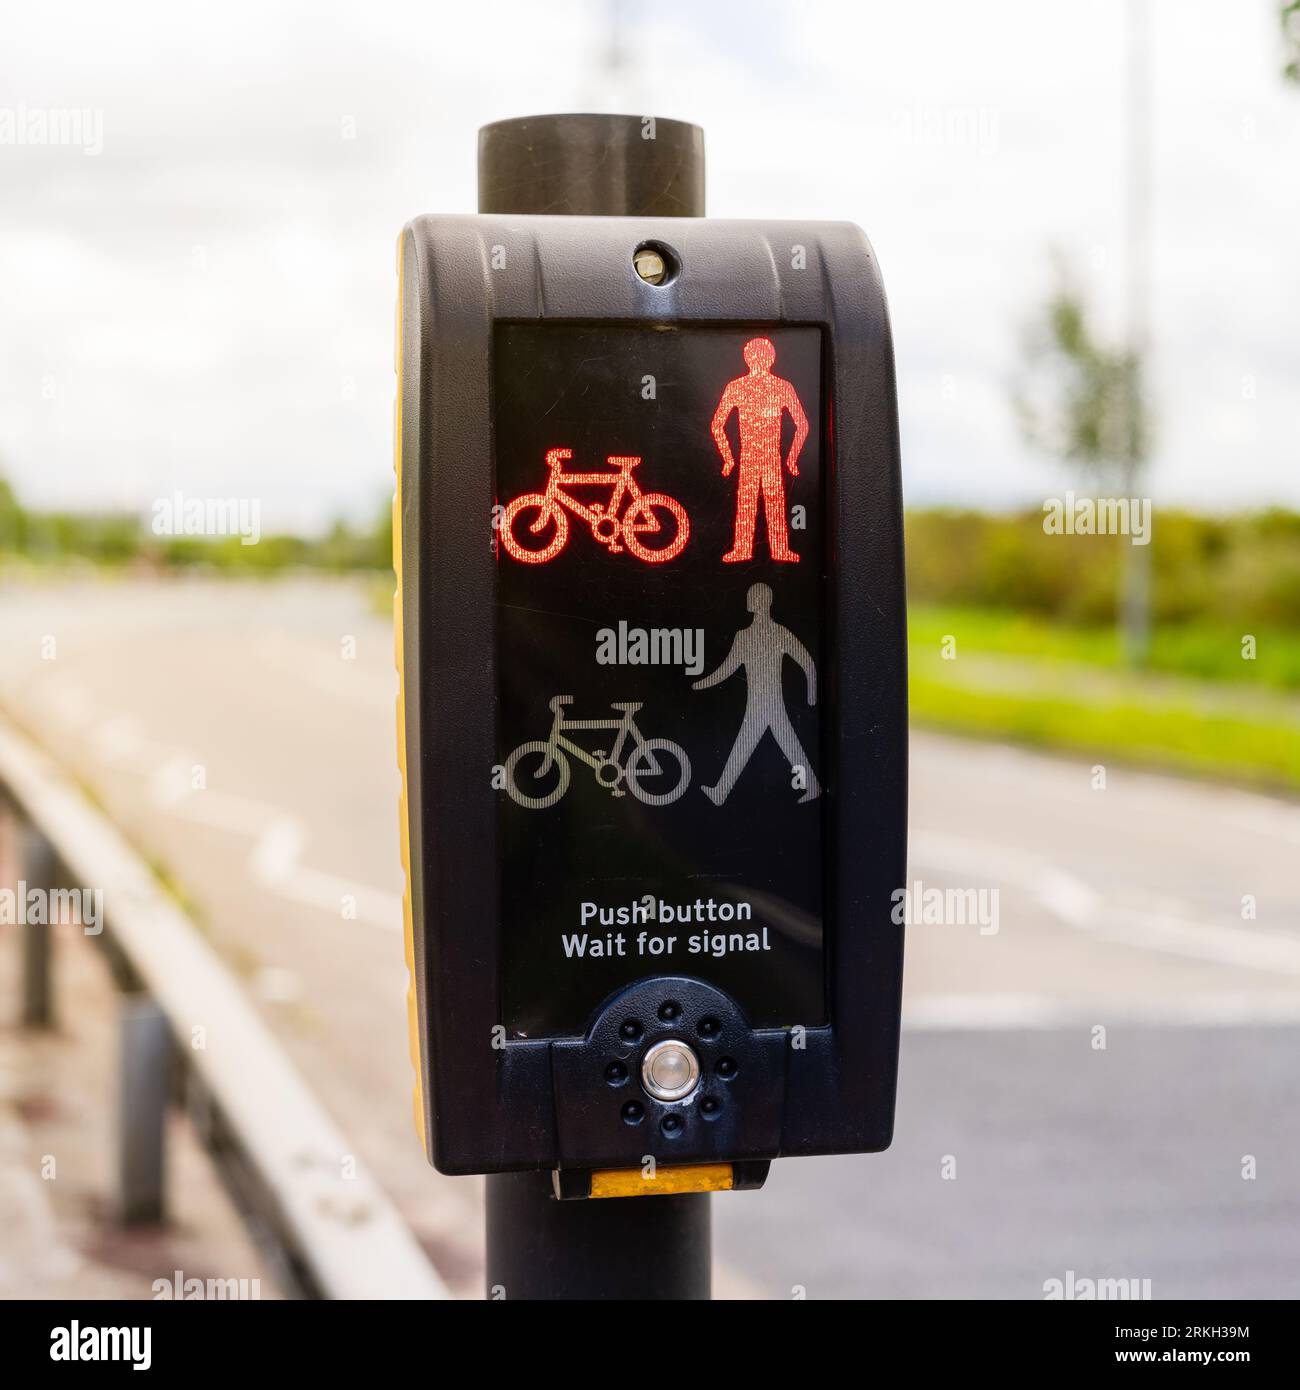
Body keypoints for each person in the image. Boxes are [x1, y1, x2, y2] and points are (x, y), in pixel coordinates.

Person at [693, 582, 820, 805]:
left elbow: (807, 663)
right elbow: (727, 668)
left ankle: (720, 793)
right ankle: (721, 792)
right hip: (759, 704)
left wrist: (812, 695)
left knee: (750, 746)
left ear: (762, 602)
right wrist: (703, 684)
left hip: (768, 704)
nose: (750, 601)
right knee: (775, 744)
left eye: (753, 597)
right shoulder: (745, 636)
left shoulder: (778, 633)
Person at [709, 337, 808, 563]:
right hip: (763, 456)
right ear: (772, 358)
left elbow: (717, 426)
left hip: (754, 457)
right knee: (764, 503)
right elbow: (802, 425)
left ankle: (751, 550)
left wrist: (728, 458)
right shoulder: (780, 387)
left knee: (751, 503)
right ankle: (770, 550)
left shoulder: (739, 387)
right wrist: (792, 458)